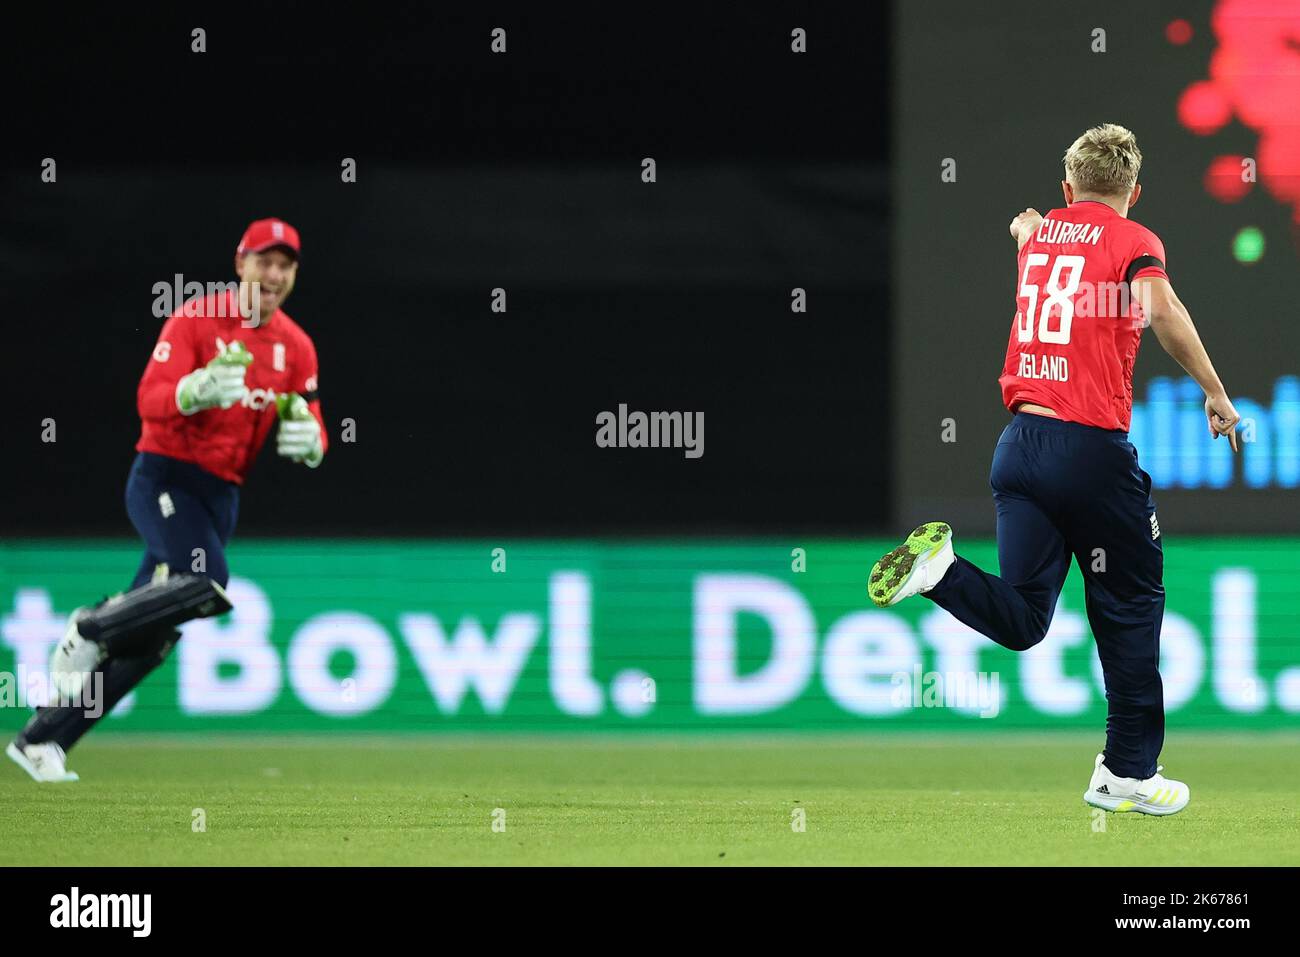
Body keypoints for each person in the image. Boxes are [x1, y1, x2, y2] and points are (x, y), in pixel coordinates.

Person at [868, 124, 1240, 816]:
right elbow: (1161, 308)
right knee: (1129, 607)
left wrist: (1032, 226)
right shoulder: (1135, 240)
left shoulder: (1042, 239)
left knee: (1025, 618)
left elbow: (1037, 235)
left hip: (1019, 446)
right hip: (1089, 451)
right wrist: (1216, 394)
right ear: (1134, 192)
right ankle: (1126, 772)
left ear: (1068, 189)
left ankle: (940, 570)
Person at [6, 218, 328, 783]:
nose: (273, 275)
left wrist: (314, 444)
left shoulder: (297, 347)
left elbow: (310, 416)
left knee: (153, 637)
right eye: (264, 261)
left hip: (221, 496)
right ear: (240, 263)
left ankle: (41, 740)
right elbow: (149, 399)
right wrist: (192, 389)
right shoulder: (195, 319)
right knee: (206, 580)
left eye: (285, 266)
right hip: (165, 479)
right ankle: (89, 628)